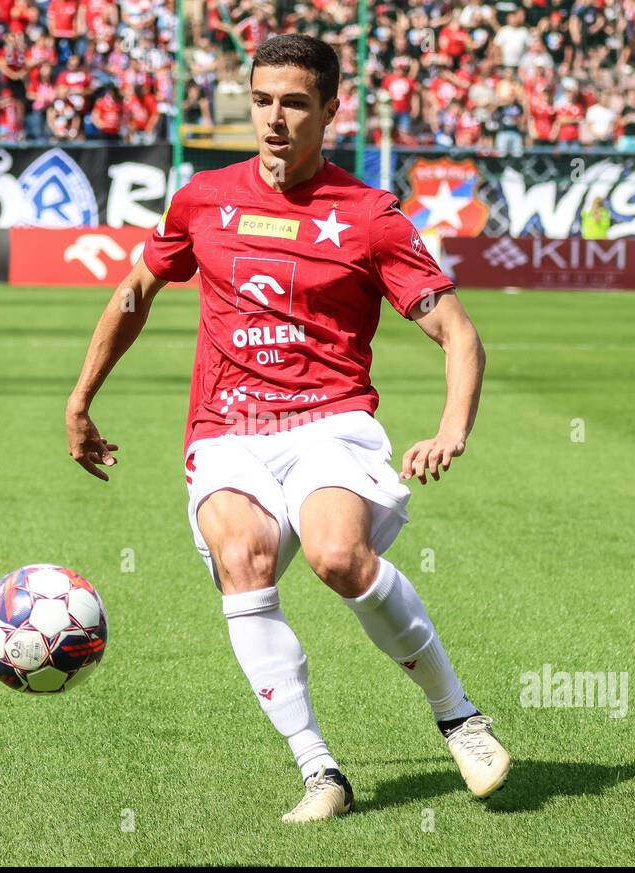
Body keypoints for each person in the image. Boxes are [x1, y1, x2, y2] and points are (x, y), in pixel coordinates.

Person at [65, 34, 510, 823]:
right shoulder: (203, 198)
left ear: (330, 111)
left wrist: (452, 429)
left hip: (329, 424)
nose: (275, 119)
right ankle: (320, 773)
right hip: (226, 429)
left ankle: (458, 716)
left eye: (295, 103)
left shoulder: (370, 217)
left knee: (339, 557)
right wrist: (82, 395)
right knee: (244, 559)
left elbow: (461, 335)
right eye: (263, 100)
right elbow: (136, 292)